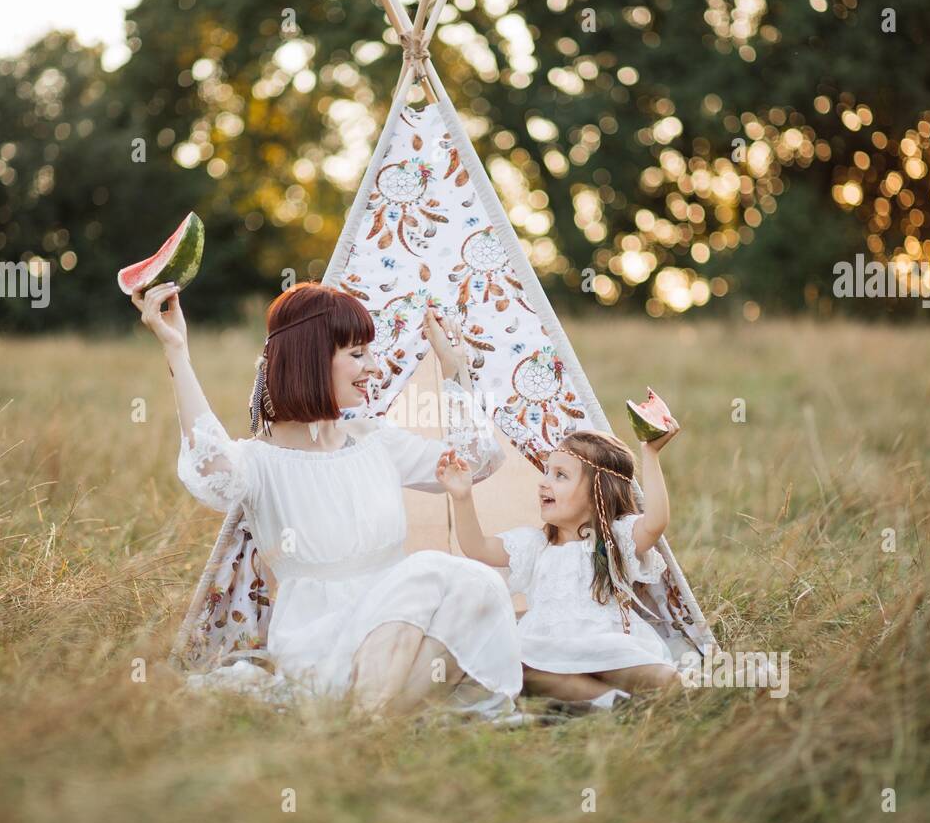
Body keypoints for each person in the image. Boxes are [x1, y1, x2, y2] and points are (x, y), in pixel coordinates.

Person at [134, 279, 522, 717]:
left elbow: (476, 461)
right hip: (319, 644)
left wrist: (454, 372)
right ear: (313, 359)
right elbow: (208, 468)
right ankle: (372, 712)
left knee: (484, 585)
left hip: (401, 635)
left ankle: (368, 719)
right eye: (357, 354)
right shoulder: (260, 462)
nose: (373, 368)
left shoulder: (376, 441)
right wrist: (177, 352)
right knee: (432, 568)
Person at [435, 422, 683, 702]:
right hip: (547, 648)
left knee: (655, 674)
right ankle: (612, 703)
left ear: (598, 494)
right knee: (522, 671)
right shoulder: (535, 545)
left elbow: (655, 522)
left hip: (603, 644)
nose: (544, 482)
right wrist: (462, 497)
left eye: (560, 475)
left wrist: (650, 453)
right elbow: (477, 548)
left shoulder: (614, 538)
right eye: (546, 472)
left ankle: (666, 689)